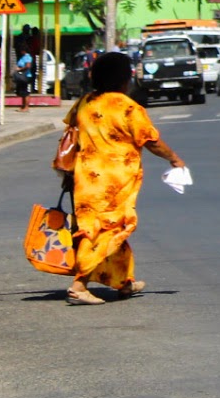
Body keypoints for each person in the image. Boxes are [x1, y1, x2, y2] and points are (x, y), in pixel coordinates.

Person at [61, 51, 186, 305]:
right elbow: (150, 141)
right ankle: (79, 285)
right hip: (115, 182)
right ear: (124, 78)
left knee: (105, 228)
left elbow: (70, 137)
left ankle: (124, 282)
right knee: (107, 229)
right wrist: (174, 159)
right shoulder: (127, 108)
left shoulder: (84, 103)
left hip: (85, 178)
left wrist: (66, 174)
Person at [14, 47, 36, 111]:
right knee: (22, 91)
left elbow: (28, 66)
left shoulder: (27, 57)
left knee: (25, 91)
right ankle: (23, 105)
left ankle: (26, 106)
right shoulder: (23, 57)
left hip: (26, 76)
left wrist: (20, 69)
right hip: (22, 76)